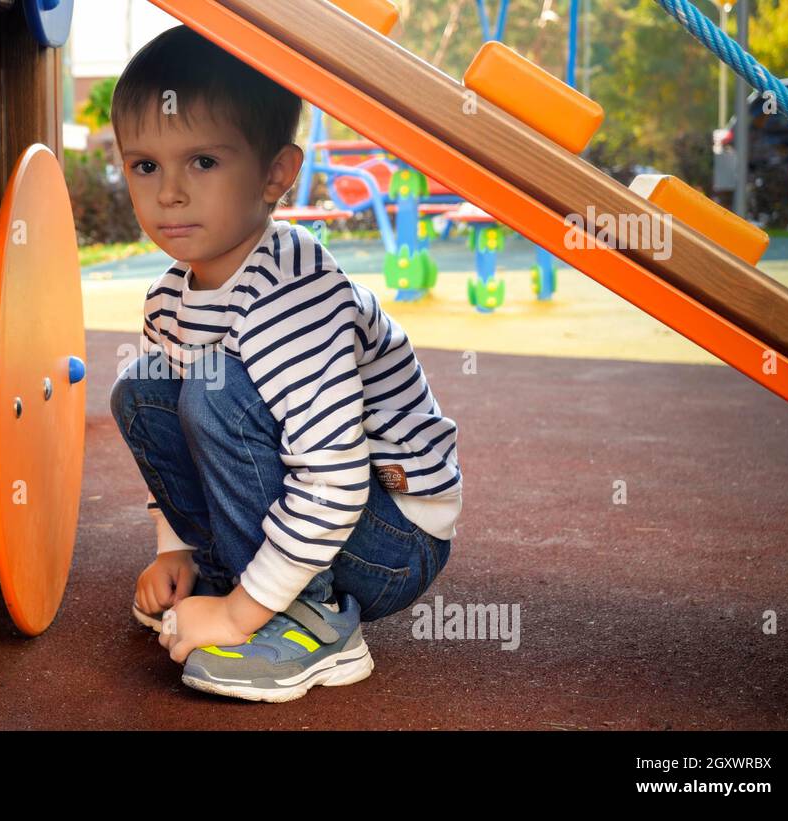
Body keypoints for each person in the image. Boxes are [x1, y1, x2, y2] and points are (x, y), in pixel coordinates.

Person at [107, 25, 462, 703]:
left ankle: (312, 621)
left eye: (203, 162)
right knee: (145, 389)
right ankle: (228, 568)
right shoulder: (169, 298)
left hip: (389, 533)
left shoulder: (289, 294)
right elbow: (171, 429)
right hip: (315, 506)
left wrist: (239, 616)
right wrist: (173, 545)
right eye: (145, 165)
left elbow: (332, 482)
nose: (170, 193)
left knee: (214, 392)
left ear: (275, 173)